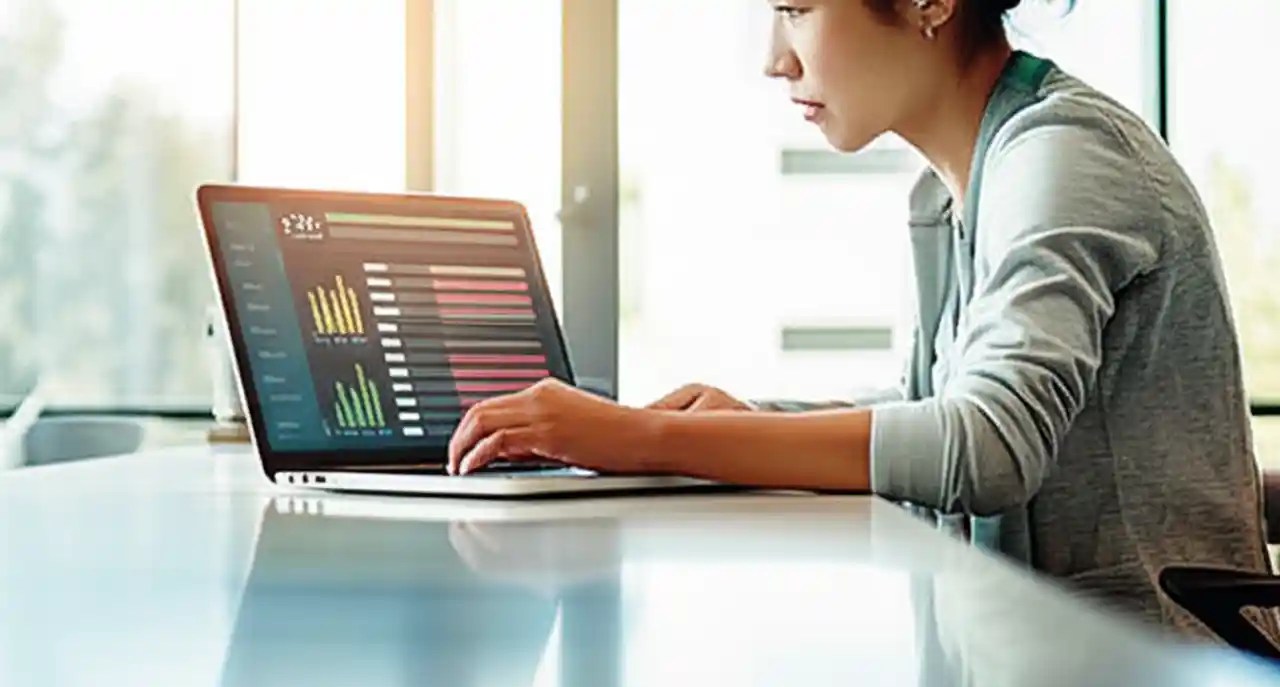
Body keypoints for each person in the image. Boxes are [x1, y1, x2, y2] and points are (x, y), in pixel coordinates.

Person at [447, 0, 1275, 637]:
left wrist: (637, 439)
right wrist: (756, 419)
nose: (775, 59)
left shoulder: (1062, 154)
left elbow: (985, 446)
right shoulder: (954, 190)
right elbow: (933, 409)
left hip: (1148, 675)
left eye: (798, 10)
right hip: (1032, 658)